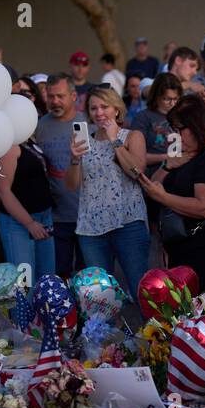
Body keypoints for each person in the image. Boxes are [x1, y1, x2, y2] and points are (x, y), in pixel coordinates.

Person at [136, 94, 205, 317]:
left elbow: (204, 207)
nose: (175, 136)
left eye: (179, 129)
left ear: (196, 127)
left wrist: (163, 197)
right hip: (181, 245)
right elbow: (153, 187)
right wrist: (168, 165)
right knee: (184, 314)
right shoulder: (187, 155)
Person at [66, 86, 150, 299]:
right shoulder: (85, 140)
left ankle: (151, 333)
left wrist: (115, 141)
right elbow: (71, 185)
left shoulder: (132, 136)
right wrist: (75, 158)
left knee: (139, 289)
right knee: (100, 298)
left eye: (104, 106)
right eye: (93, 108)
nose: (99, 112)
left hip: (128, 223)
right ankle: (107, 333)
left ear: (116, 109)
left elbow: (136, 172)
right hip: (92, 228)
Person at [34, 73, 87, 277]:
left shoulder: (87, 123)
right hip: (54, 216)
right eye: (51, 96)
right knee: (58, 276)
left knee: (86, 278)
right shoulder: (39, 126)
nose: (54, 101)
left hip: (85, 215)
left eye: (60, 96)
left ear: (73, 96)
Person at [0, 131, 56, 280]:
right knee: (25, 282)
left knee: (47, 279)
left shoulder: (27, 140)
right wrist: (29, 223)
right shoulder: (9, 147)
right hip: (19, 222)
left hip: (43, 217)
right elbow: (4, 191)